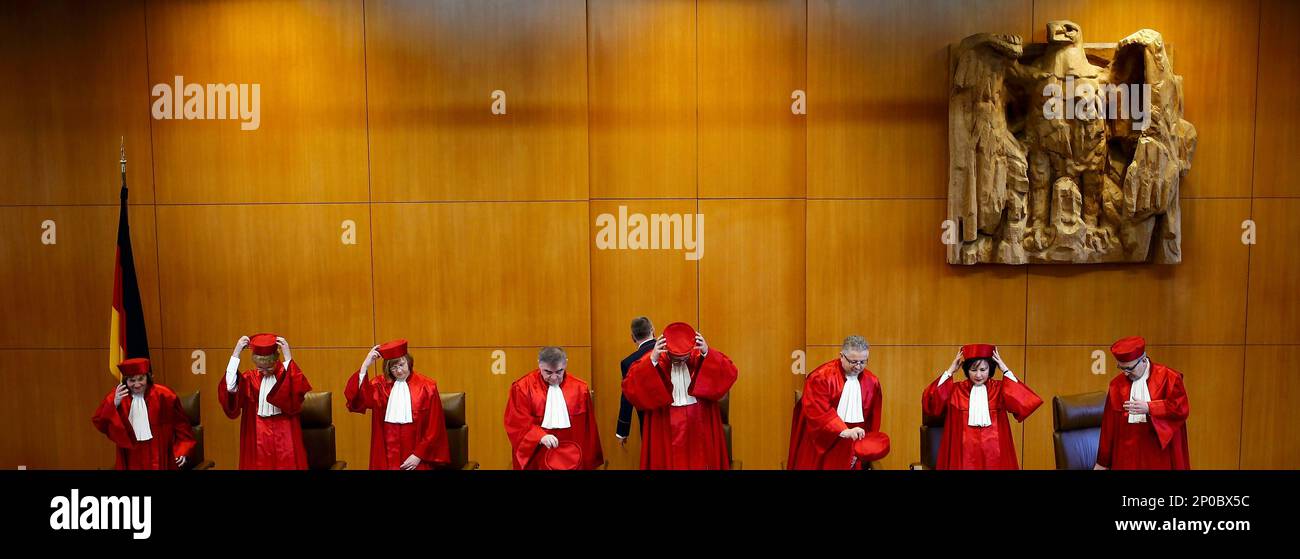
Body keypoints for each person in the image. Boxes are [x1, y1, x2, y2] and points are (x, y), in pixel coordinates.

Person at [622, 322, 737, 469]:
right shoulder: (657, 361)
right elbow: (631, 386)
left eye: (684, 357)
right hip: (665, 428)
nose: (680, 361)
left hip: (699, 427)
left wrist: (707, 352)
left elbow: (729, 372)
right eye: (675, 357)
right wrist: (652, 359)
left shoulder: (698, 358)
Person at [921, 344, 1042, 469]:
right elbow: (930, 403)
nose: (978, 375)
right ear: (967, 371)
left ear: (990, 369)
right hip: (963, 455)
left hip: (995, 455)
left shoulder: (1000, 389)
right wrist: (950, 371)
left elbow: (1026, 403)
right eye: (973, 370)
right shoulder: (956, 390)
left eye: (983, 370)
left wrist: (1005, 369)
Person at [345, 339, 450, 470]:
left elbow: (434, 426)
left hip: (417, 458)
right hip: (386, 455)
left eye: (401, 364)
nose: (399, 371)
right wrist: (365, 365)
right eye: (394, 367)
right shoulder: (380, 386)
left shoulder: (427, 387)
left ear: (409, 362)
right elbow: (358, 399)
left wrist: (418, 455)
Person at [788, 335, 888, 470]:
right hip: (821, 441)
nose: (858, 367)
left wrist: (864, 443)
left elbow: (872, 419)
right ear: (842, 356)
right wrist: (843, 430)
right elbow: (817, 411)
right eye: (853, 362)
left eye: (863, 362)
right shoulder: (821, 377)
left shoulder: (872, 382)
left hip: (852, 444)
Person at [1095, 336, 1191, 470]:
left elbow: (1180, 409)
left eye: (1130, 368)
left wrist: (1150, 407)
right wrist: (1102, 462)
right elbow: (1108, 428)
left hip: (1158, 452)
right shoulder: (1116, 385)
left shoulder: (1169, 378)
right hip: (1126, 454)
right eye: (1122, 368)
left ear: (1144, 360)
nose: (1126, 373)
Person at [217, 333, 311, 469]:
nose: (265, 372)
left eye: (269, 368)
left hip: (284, 431)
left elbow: (296, 390)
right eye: (260, 368)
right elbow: (230, 387)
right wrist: (236, 353)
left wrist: (288, 357)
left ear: (275, 361)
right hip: (257, 431)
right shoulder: (250, 378)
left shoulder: (284, 375)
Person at [504, 347, 604, 470]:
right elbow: (516, 421)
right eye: (548, 372)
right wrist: (539, 436)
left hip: (572, 456)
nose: (554, 377)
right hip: (538, 454)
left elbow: (589, 429)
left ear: (565, 363)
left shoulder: (580, 388)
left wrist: (590, 460)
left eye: (559, 371)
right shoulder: (522, 388)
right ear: (539, 364)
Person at [91, 357, 196, 470]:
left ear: (148, 377)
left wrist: (182, 451)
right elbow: (100, 422)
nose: (137, 385)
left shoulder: (165, 396)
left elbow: (182, 427)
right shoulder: (118, 396)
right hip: (131, 455)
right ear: (126, 381)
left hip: (160, 453)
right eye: (132, 380)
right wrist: (114, 404)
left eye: (141, 379)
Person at [615, 316, 655, 447]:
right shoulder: (670, 352)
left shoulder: (629, 362)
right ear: (652, 330)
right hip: (677, 417)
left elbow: (627, 397)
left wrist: (622, 430)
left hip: (648, 420)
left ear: (633, 337)